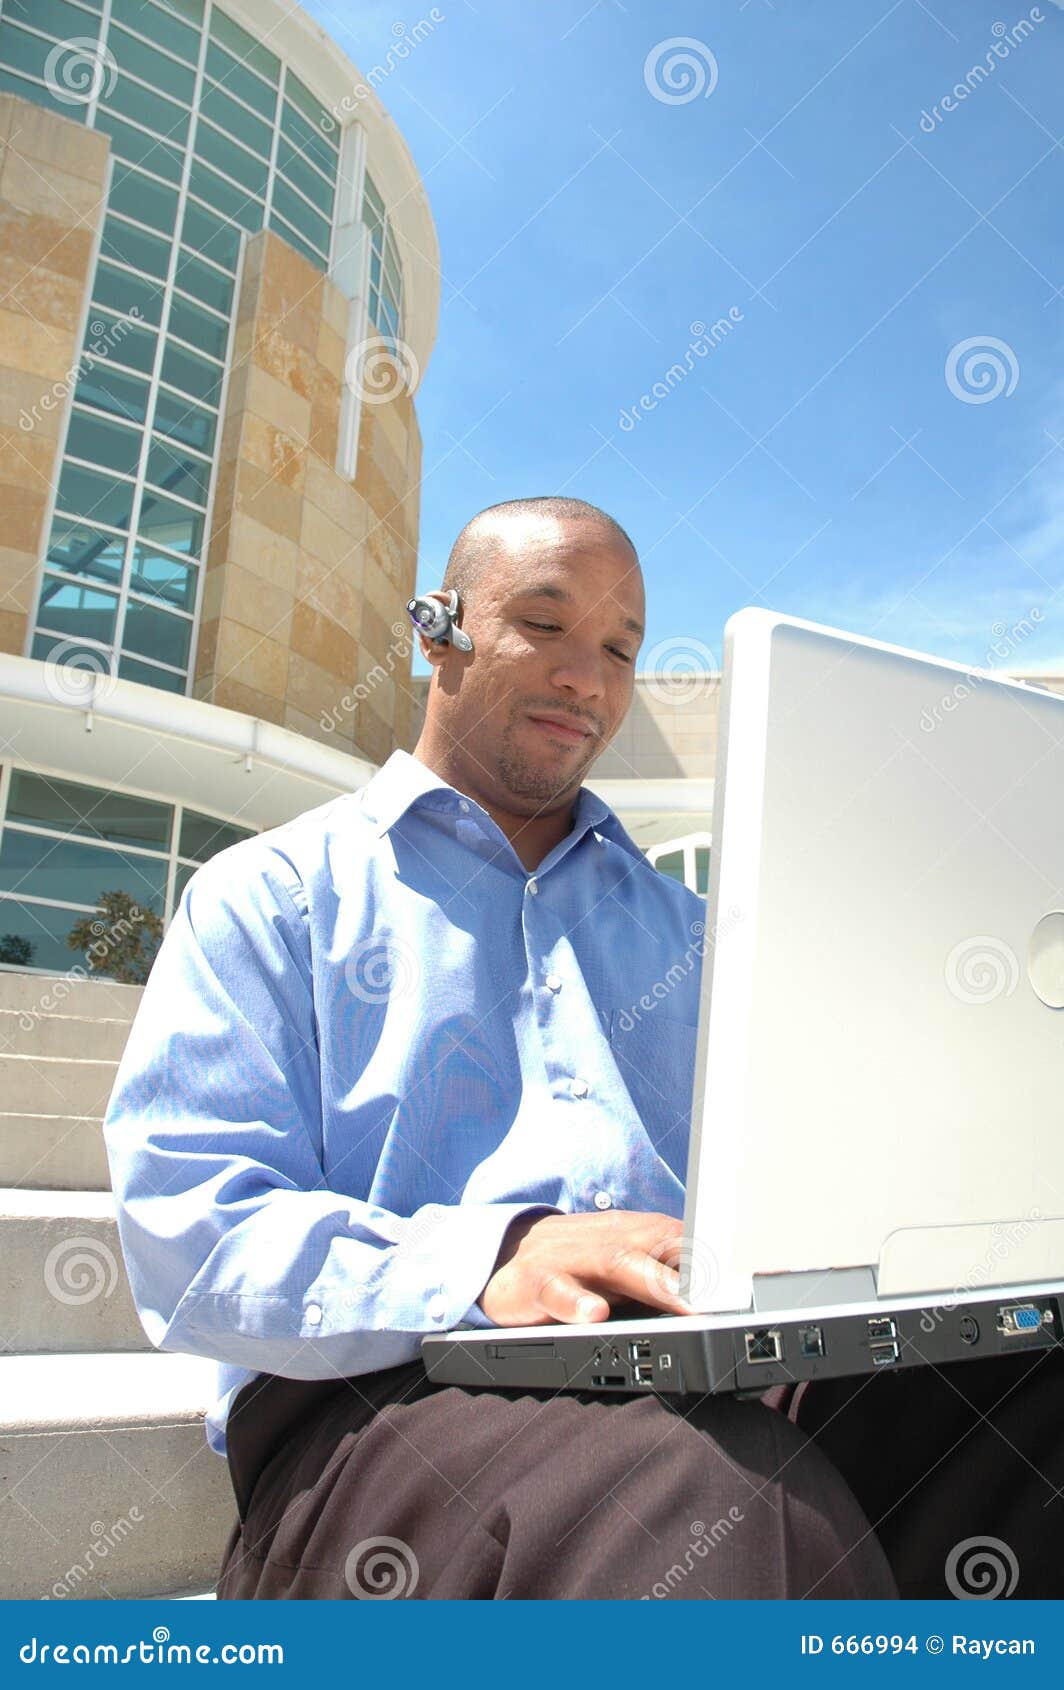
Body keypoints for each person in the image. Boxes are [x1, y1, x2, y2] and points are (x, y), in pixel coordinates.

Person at [104, 495, 900, 1600]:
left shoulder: (693, 937)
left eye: (620, 649)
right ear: (438, 628)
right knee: (690, 1494)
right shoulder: (271, 898)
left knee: (1020, 1405)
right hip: (383, 1403)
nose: (590, 678)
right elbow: (194, 1237)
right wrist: (492, 1257)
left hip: (701, 1363)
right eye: (545, 623)